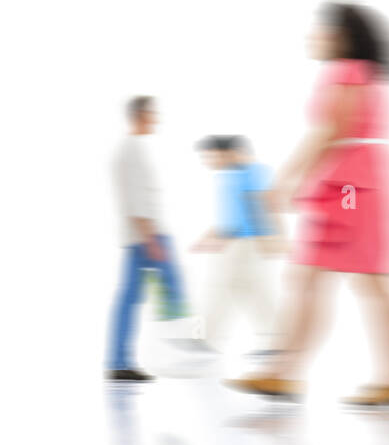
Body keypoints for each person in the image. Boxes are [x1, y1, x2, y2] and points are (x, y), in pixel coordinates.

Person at [225, 2, 389, 405]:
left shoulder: (347, 71)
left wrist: (284, 180)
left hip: (351, 188)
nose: (312, 36)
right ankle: (294, 372)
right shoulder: (362, 73)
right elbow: (335, 133)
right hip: (353, 183)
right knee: (340, 278)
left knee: (360, 279)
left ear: (340, 35)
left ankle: (387, 377)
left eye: (320, 29)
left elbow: (332, 129)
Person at [105, 96, 195, 381]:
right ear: (140, 114)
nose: (156, 118)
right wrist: (151, 238)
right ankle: (181, 354)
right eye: (153, 113)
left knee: (131, 298)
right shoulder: (131, 150)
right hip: (148, 235)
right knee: (174, 291)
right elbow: (136, 200)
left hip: (140, 235)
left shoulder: (129, 149)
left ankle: (119, 362)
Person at [190, 135, 281, 356]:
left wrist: (270, 239)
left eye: (210, 156)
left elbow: (261, 207)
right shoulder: (229, 176)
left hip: (247, 244)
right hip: (234, 244)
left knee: (235, 290)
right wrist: (208, 237)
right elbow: (227, 217)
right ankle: (275, 343)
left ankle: (208, 340)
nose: (208, 162)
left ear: (230, 153)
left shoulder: (254, 173)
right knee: (244, 291)